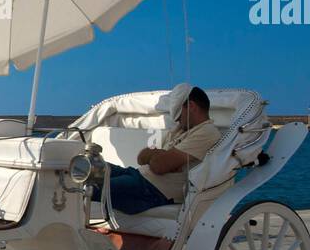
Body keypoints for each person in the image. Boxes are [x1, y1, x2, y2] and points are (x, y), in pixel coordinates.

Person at [91, 86, 222, 215]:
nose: (177, 121)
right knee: (89, 166)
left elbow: (159, 166)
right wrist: (162, 157)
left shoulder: (208, 132)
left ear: (191, 106)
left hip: (152, 191)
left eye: (178, 115)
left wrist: (160, 157)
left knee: (92, 190)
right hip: (139, 176)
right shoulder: (181, 130)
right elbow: (141, 158)